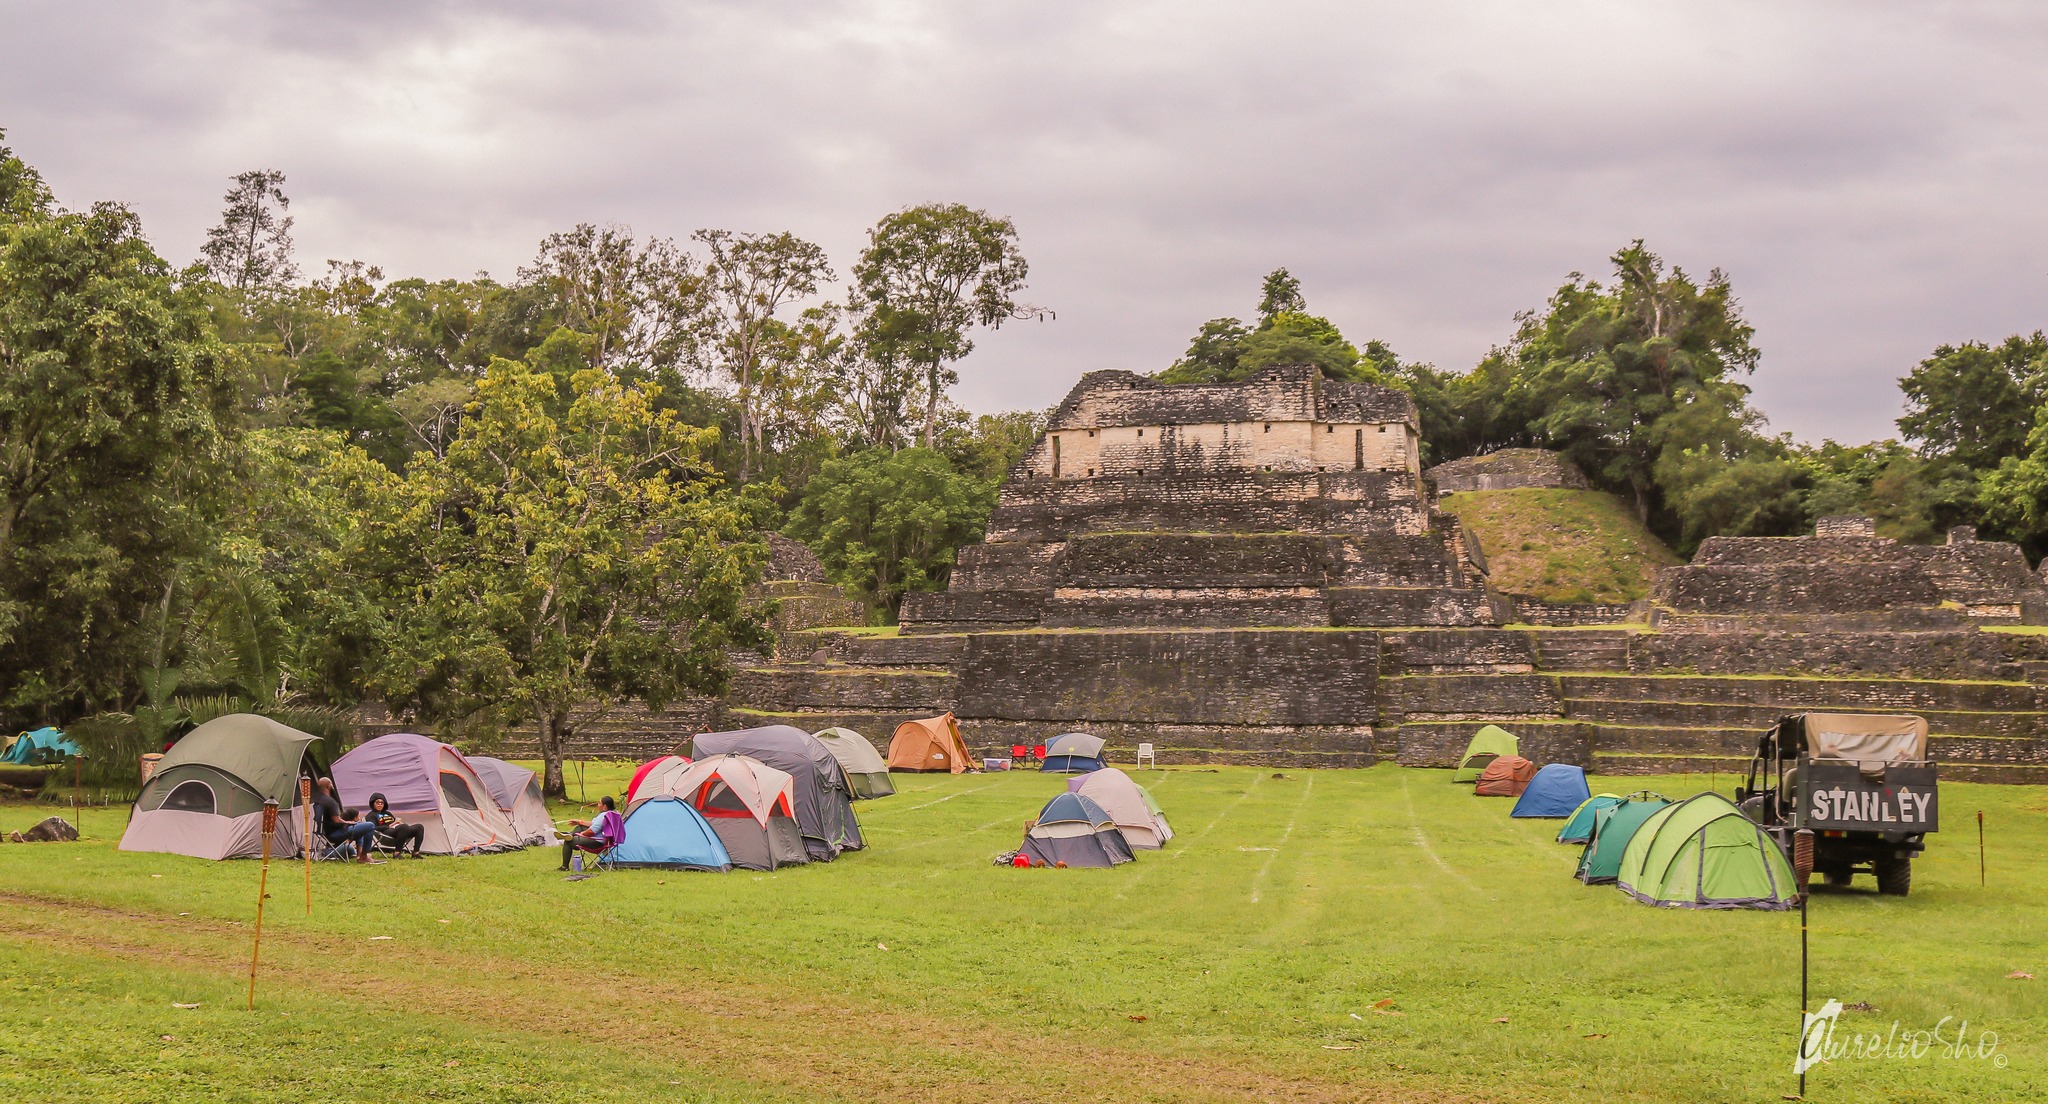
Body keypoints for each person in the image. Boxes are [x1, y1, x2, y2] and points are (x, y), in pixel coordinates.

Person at [313, 777, 381, 863]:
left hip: (325, 833)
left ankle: (360, 855)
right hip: (335, 834)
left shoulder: (318, 801)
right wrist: (348, 822)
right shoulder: (330, 802)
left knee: (360, 827)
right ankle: (363, 857)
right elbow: (336, 820)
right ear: (329, 786)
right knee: (370, 825)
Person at [559, 795, 625, 870]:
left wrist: (581, 834)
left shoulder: (604, 816)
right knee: (580, 827)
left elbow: (591, 831)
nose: (598, 805)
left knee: (568, 842)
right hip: (606, 842)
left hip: (597, 843)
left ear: (604, 806)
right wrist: (579, 822)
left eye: (599, 803)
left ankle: (564, 867)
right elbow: (592, 824)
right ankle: (569, 835)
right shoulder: (611, 814)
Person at [365, 792, 426, 858]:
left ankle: (415, 853)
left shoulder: (387, 813)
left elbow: (394, 821)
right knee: (404, 827)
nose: (380, 804)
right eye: (377, 802)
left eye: (382, 802)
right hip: (387, 832)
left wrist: (399, 823)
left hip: (400, 830)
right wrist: (388, 826)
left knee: (419, 827)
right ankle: (397, 853)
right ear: (372, 803)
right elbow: (373, 827)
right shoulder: (371, 815)